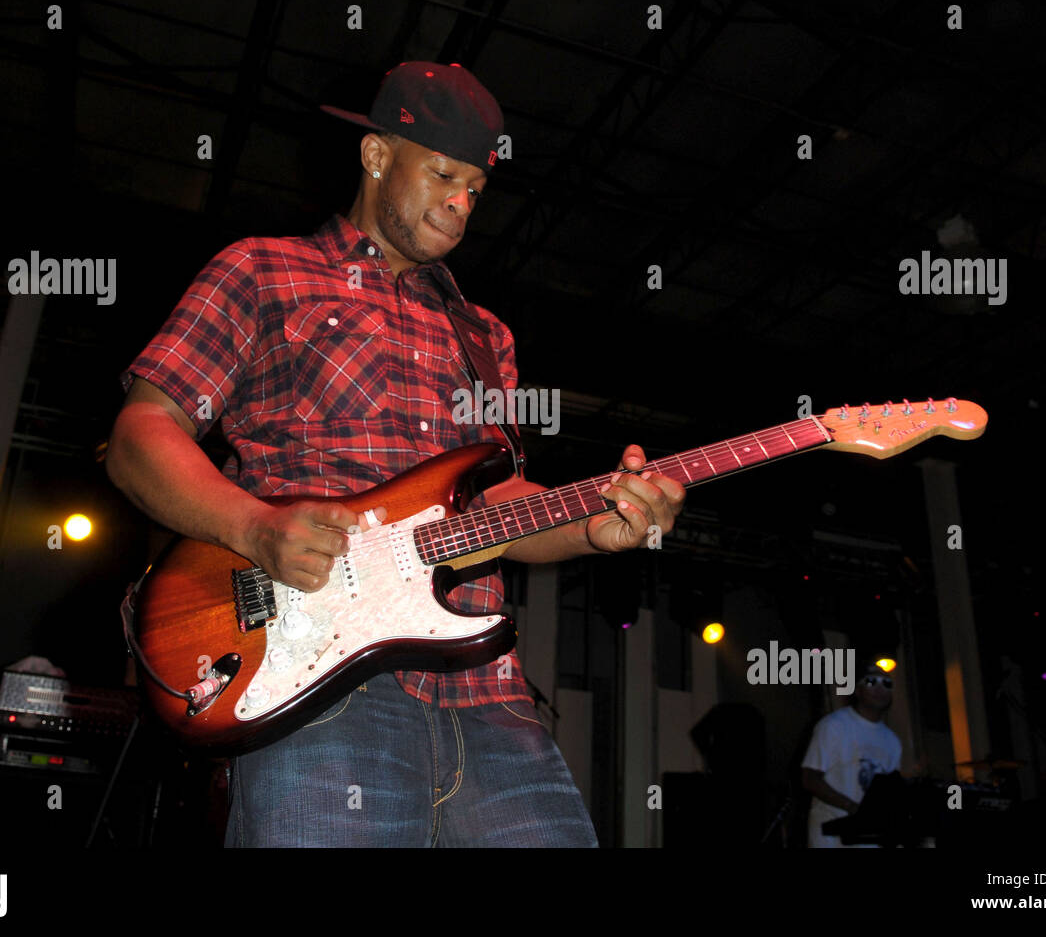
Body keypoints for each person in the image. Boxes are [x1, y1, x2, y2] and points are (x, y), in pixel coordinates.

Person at [105, 61, 685, 847]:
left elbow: (493, 512)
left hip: (489, 699)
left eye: (477, 187)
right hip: (318, 679)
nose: (461, 203)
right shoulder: (262, 269)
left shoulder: (486, 335)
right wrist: (253, 527)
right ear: (377, 156)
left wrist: (595, 523)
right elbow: (142, 432)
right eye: (444, 174)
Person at [801, 666, 902, 848]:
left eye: (887, 684)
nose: (880, 688)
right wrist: (852, 807)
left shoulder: (892, 741)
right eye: (871, 682)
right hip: (830, 837)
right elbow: (810, 778)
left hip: (868, 838)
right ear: (857, 690)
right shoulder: (833, 726)